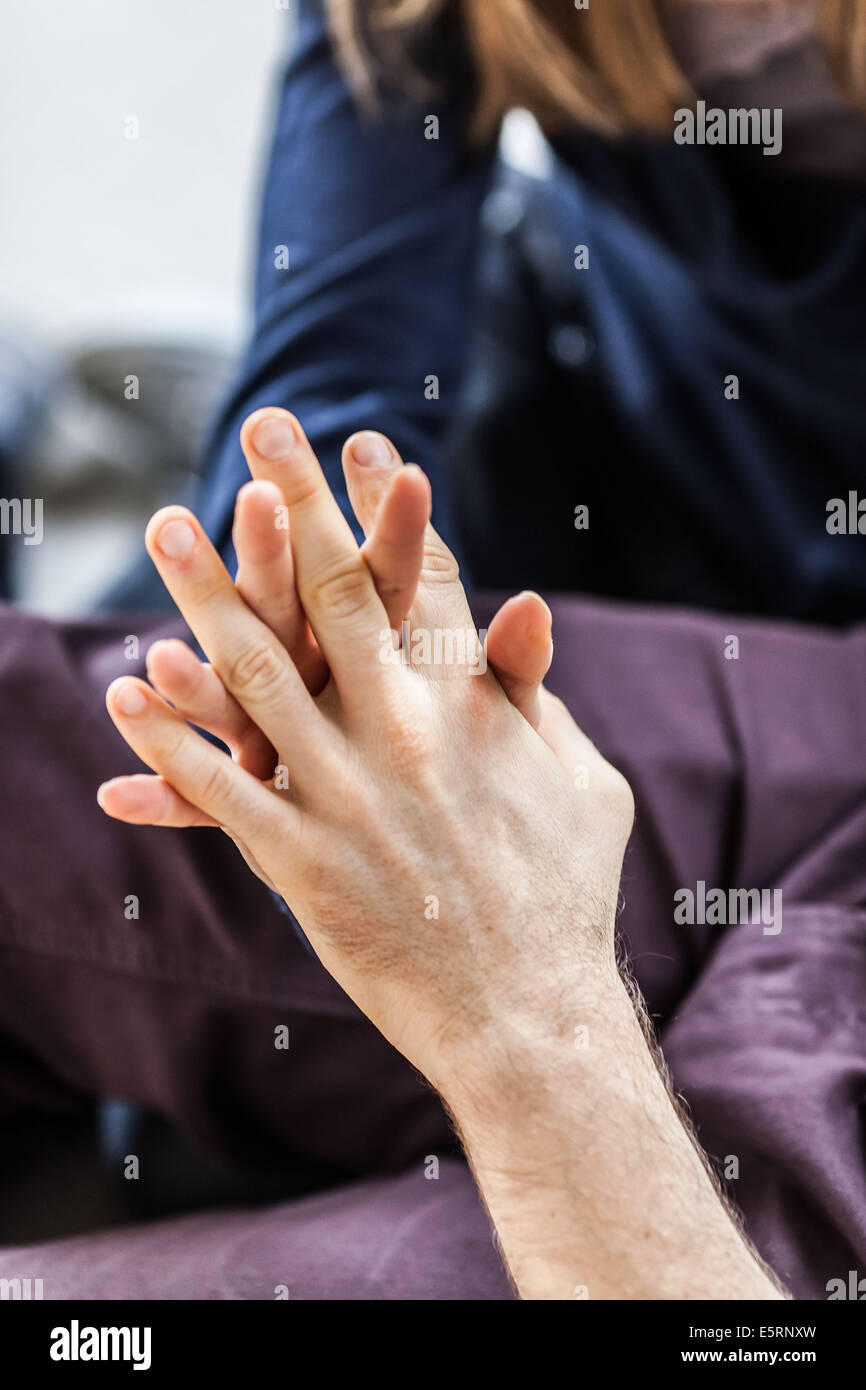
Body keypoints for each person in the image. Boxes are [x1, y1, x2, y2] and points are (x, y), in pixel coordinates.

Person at [1, 0, 865, 1298]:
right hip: (587, 436)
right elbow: (330, 372)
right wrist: (318, 614)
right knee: (135, 730)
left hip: (818, 679)